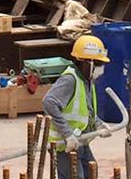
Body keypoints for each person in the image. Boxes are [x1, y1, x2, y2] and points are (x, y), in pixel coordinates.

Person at [43, 35, 111, 179]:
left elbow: (87, 110)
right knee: (75, 176)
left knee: (91, 171)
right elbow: (49, 102)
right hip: (65, 145)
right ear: (88, 62)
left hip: (81, 141)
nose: (101, 69)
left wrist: (98, 124)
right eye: (98, 64)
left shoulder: (87, 80)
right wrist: (67, 134)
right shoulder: (70, 79)